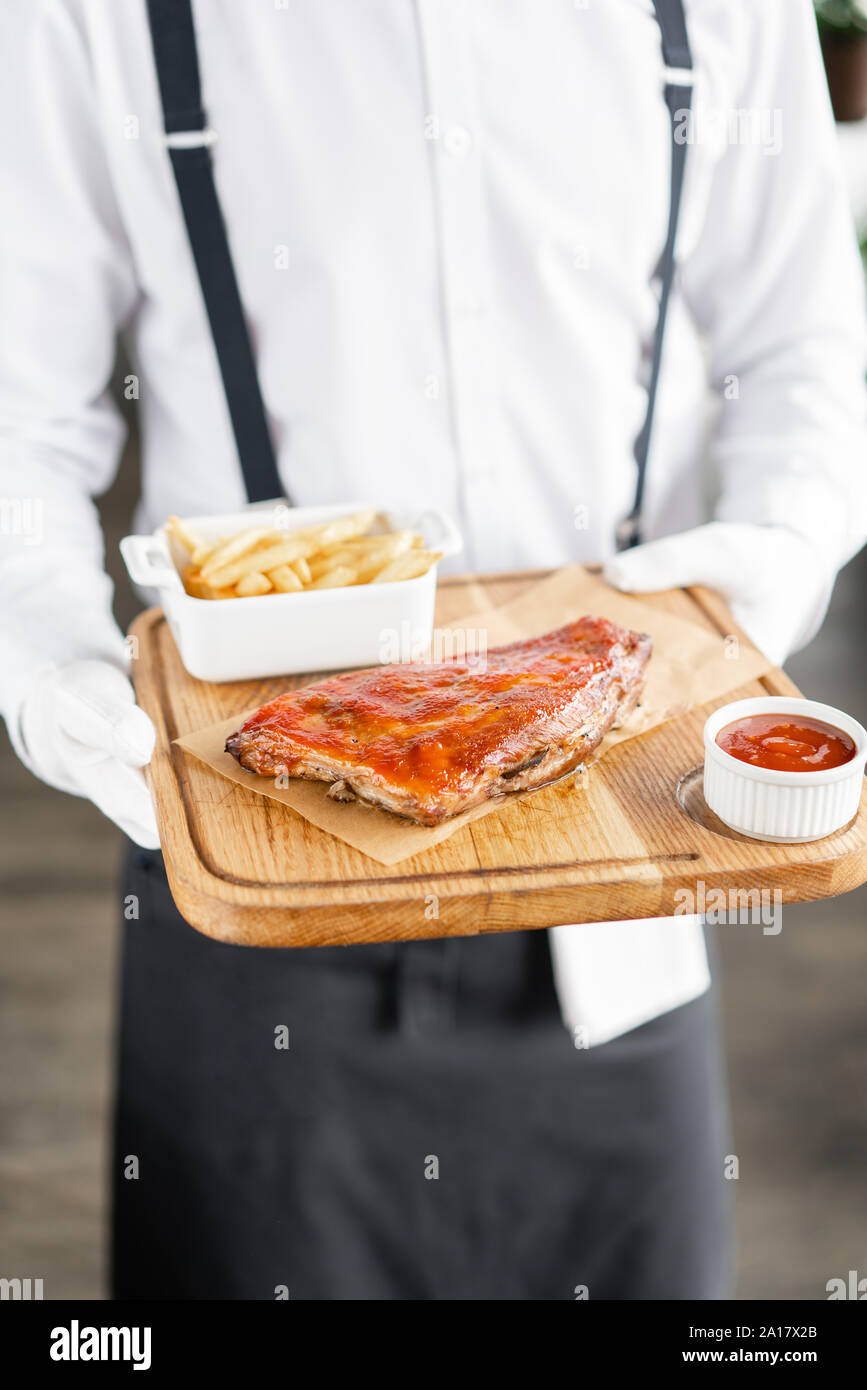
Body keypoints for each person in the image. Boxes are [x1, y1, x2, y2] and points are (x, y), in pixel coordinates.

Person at [1, 0, 864, 1300]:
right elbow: (19, 412)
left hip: (622, 880)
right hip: (244, 881)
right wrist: (47, 657)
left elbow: (802, 345)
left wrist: (780, 550)